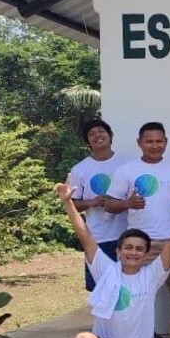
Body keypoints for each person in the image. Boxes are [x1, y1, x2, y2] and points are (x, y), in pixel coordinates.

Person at [59, 180, 170, 338]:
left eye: (139, 249)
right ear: (118, 251)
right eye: (128, 247)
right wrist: (68, 203)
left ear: (146, 255)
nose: (133, 252)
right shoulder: (105, 270)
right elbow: (84, 235)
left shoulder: (151, 275)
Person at [104, 121, 170, 338]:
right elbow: (109, 204)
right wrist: (128, 203)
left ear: (166, 142)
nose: (155, 145)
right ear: (139, 142)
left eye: (159, 141)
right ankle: (144, 335)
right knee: (139, 295)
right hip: (140, 245)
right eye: (149, 141)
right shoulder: (127, 170)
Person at [67, 118, 128, 291]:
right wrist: (92, 202)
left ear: (110, 135)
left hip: (128, 235)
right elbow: (72, 204)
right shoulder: (80, 169)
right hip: (97, 237)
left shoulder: (127, 163)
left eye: (101, 131)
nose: (97, 135)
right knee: (101, 289)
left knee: (129, 288)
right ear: (88, 142)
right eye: (91, 134)